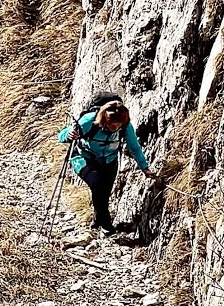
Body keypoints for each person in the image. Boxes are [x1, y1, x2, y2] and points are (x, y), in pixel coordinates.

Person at [57, 95, 154, 234]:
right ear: (104, 119)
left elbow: (135, 148)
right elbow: (61, 136)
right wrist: (69, 135)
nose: (115, 127)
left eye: (118, 125)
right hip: (83, 159)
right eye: (111, 124)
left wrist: (145, 168)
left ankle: (97, 221)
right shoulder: (89, 120)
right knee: (97, 184)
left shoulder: (125, 126)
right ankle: (106, 223)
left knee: (104, 192)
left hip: (109, 162)